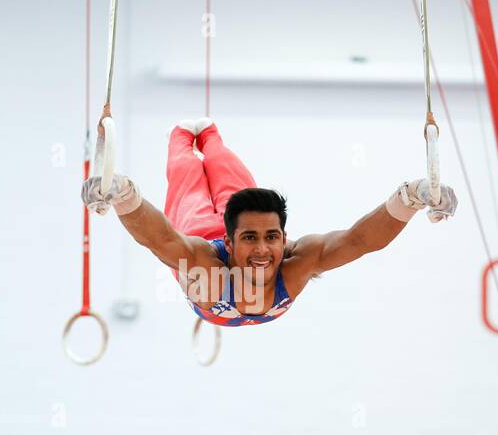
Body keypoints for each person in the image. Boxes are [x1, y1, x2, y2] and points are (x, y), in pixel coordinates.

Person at [81, 117, 457, 326]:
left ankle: (209, 134)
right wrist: (123, 194)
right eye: (250, 238)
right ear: (230, 242)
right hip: (199, 229)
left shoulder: (296, 261)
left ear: (283, 238)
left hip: (221, 230)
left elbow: (359, 240)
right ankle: (181, 134)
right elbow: (159, 237)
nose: (262, 250)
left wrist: (410, 197)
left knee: (227, 169)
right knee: (186, 174)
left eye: (271, 237)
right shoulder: (204, 265)